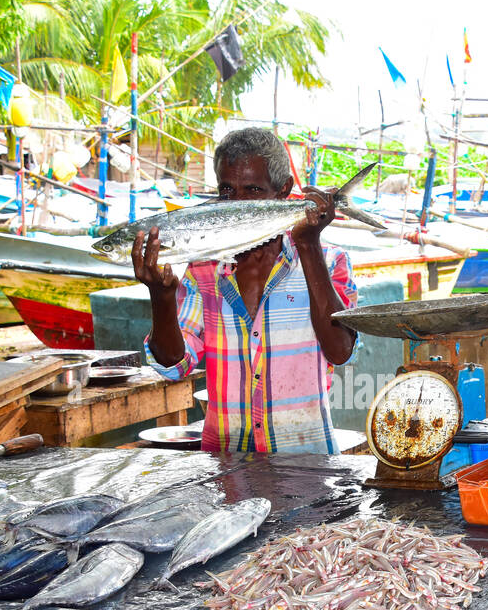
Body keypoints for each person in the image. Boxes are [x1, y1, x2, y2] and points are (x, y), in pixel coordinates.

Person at [133, 127, 356, 454]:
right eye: (226, 191)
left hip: (307, 466)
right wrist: (161, 296)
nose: (236, 205)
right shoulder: (203, 269)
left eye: (252, 190)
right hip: (224, 471)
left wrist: (308, 245)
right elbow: (173, 364)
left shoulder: (330, 261)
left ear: (283, 192)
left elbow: (340, 350)